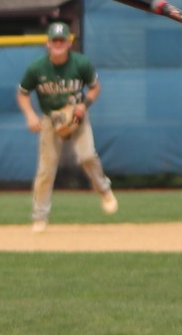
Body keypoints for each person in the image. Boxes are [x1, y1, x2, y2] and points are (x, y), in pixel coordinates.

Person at [17, 20, 118, 231]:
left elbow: (94, 88)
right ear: (47, 43)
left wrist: (83, 105)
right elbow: (22, 93)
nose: (58, 44)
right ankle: (40, 217)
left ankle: (104, 190)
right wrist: (30, 115)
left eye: (62, 40)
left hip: (75, 117)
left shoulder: (80, 64)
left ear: (69, 42)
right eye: (54, 40)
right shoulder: (37, 68)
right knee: (45, 170)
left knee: (87, 156)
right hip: (50, 119)